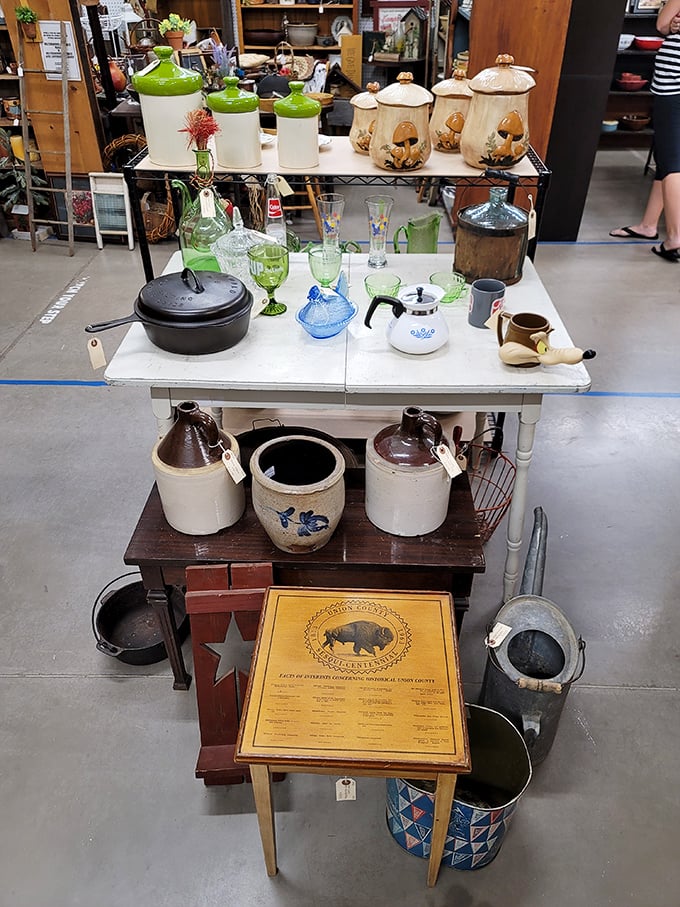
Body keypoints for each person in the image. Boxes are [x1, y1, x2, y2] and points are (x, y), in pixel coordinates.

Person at [610, 1, 680, 261]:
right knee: (667, 153)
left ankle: (675, 238)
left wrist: (671, 23)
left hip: (674, 83)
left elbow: (662, 25)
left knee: (672, 160)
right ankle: (648, 225)